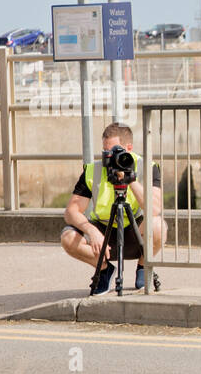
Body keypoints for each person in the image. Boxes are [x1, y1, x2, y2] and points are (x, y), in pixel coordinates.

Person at [61, 122, 166, 295]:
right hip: (103, 237)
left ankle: (143, 267)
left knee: (158, 226)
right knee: (68, 237)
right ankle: (104, 270)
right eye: (105, 151)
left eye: (114, 152)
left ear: (129, 148)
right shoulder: (93, 170)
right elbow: (71, 211)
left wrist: (130, 179)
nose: (109, 157)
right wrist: (91, 231)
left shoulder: (147, 166)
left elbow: (154, 209)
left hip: (135, 234)